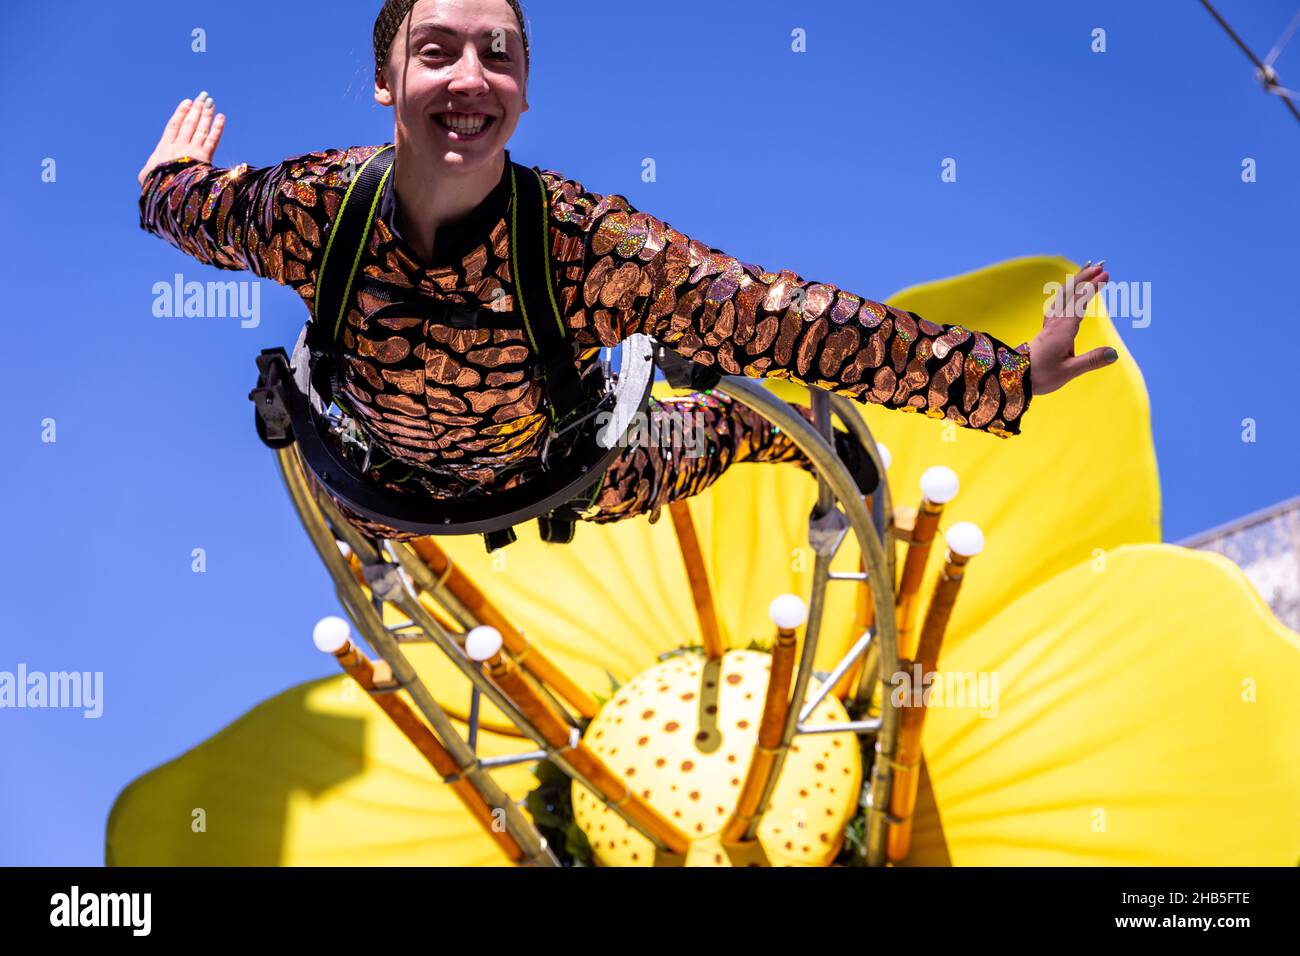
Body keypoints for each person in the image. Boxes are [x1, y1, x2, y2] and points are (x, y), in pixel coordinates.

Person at [136, 0, 1115, 543]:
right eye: (436, 53)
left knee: (728, 423)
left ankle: (828, 453)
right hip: (378, 489)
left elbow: (779, 319)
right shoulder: (315, 209)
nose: (470, 78)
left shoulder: (581, 245)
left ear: (522, 93)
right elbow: (188, 209)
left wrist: (1003, 376)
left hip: (557, 474)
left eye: (497, 56)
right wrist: (165, 180)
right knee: (354, 504)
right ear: (387, 83)